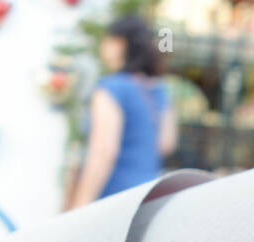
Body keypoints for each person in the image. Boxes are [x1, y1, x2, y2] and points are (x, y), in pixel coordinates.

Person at [66, 16, 177, 209]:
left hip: (114, 201)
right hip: (148, 200)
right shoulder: (159, 89)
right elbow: (166, 144)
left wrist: (80, 207)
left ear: (119, 44)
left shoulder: (111, 88)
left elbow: (103, 152)